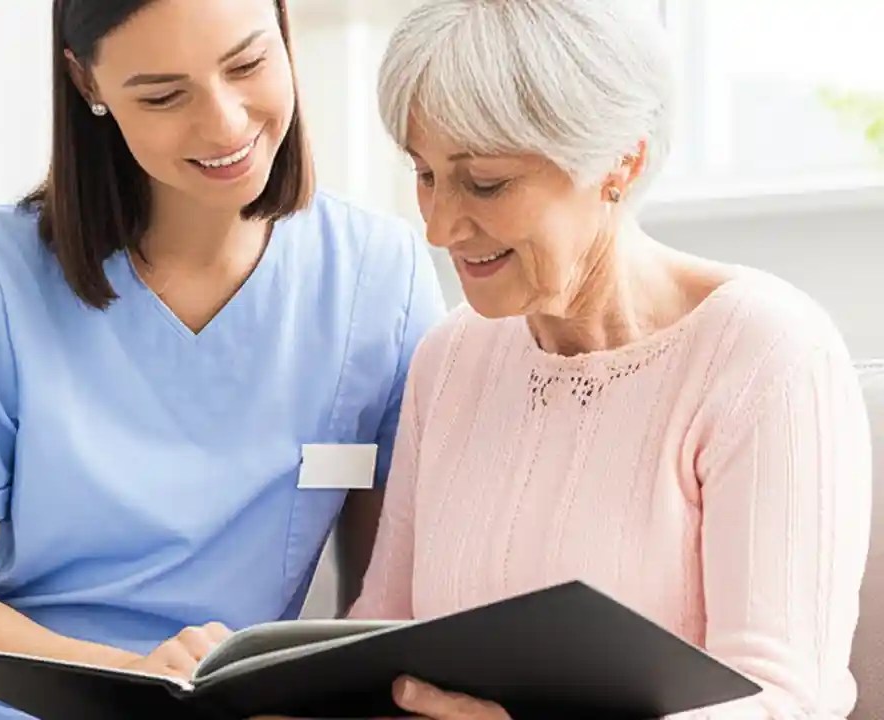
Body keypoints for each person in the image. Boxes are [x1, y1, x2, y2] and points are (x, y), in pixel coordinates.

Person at [0, 0, 446, 718]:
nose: (223, 123)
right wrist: (137, 676)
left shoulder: (381, 277)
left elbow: (387, 600)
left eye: (247, 64)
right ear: (88, 84)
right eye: (164, 95)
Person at [260, 0, 874, 718]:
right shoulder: (451, 357)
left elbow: (784, 701)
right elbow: (384, 630)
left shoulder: (766, 356)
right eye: (425, 174)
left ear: (622, 162)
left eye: (484, 182)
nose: (437, 225)